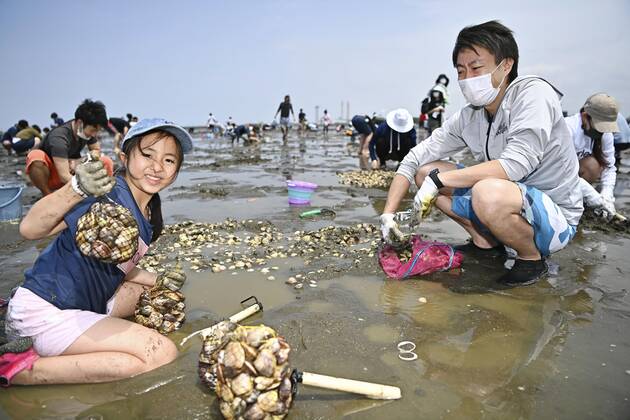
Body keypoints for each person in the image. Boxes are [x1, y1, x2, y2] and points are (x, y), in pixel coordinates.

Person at [379, 20, 582, 287]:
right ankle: (484, 241)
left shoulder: (532, 94)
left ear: (506, 65)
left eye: (476, 68)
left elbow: (516, 164)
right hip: (507, 199)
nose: (467, 79)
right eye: (461, 71)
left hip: (554, 218)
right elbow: (413, 159)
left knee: (484, 192)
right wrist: (388, 215)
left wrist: (441, 181)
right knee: (425, 171)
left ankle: (530, 258)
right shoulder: (469, 117)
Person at [3, 118, 193, 385]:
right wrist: (76, 189)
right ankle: (18, 369)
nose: (157, 167)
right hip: (45, 312)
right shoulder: (106, 193)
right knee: (160, 353)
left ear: (176, 171)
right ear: (124, 157)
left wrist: (158, 279)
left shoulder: (152, 214)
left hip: (82, 303)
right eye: (147, 155)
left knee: (152, 295)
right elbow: (30, 229)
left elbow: (119, 266)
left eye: (169, 161)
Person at [25, 99, 114, 196]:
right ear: (80, 123)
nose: (95, 134)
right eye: (93, 130)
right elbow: (64, 176)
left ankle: (104, 195)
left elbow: (96, 150)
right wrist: (86, 190)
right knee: (36, 156)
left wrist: (80, 161)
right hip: (52, 175)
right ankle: (47, 195)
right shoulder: (59, 137)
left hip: (73, 172)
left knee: (106, 161)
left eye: (98, 130)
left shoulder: (87, 131)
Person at [565, 93, 620, 220]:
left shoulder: (605, 134)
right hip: (553, 174)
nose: (602, 132)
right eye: (599, 128)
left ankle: (579, 200)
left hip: (575, 173)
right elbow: (560, 171)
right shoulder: (568, 128)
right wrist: (591, 194)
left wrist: (607, 195)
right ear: (585, 116)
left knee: (594, 166)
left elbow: (610, 167)